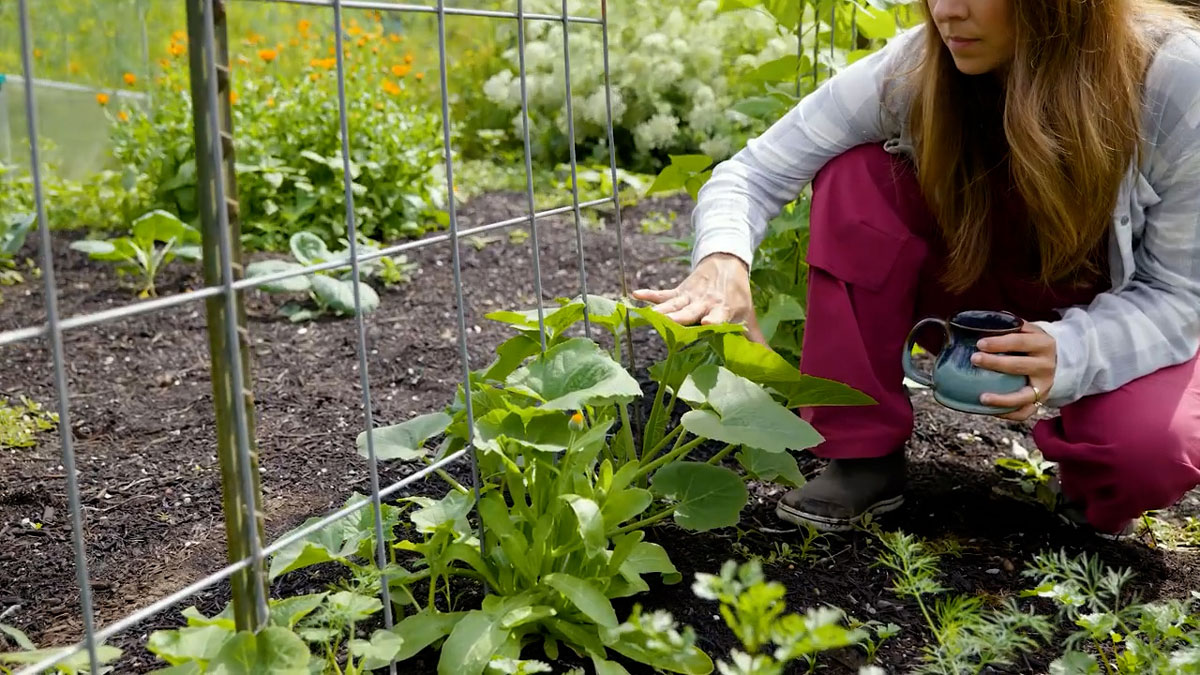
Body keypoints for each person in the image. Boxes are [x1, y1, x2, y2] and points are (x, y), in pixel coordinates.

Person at [633, 0, 1200, 537]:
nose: (945, 10)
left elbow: (1179, 295)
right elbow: (752, 173)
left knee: (1148, 450)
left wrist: (1072, 352)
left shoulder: (1173, 81)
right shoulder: (919, 67)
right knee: (857, 176)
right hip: (976, 271)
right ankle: (861, 456)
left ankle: (1092, 480)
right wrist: (722, 261)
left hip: (1108, 300)